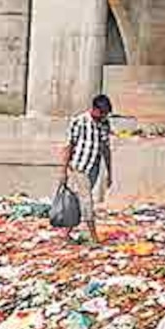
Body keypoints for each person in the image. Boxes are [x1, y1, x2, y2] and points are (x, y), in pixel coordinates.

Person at [60, 94, 114, 242]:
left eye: (105, 114)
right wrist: (63, 170)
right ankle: (93, 236)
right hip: (79, 167)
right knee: (87, 200)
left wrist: (109, 172)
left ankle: (66, 232)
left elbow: (106, 149)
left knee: (80, 199)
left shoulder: (104, 124)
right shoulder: (79, 121)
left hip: (94, 167)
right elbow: (69, 146)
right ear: (94, 109)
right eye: (102, 113)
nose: (103, 116)